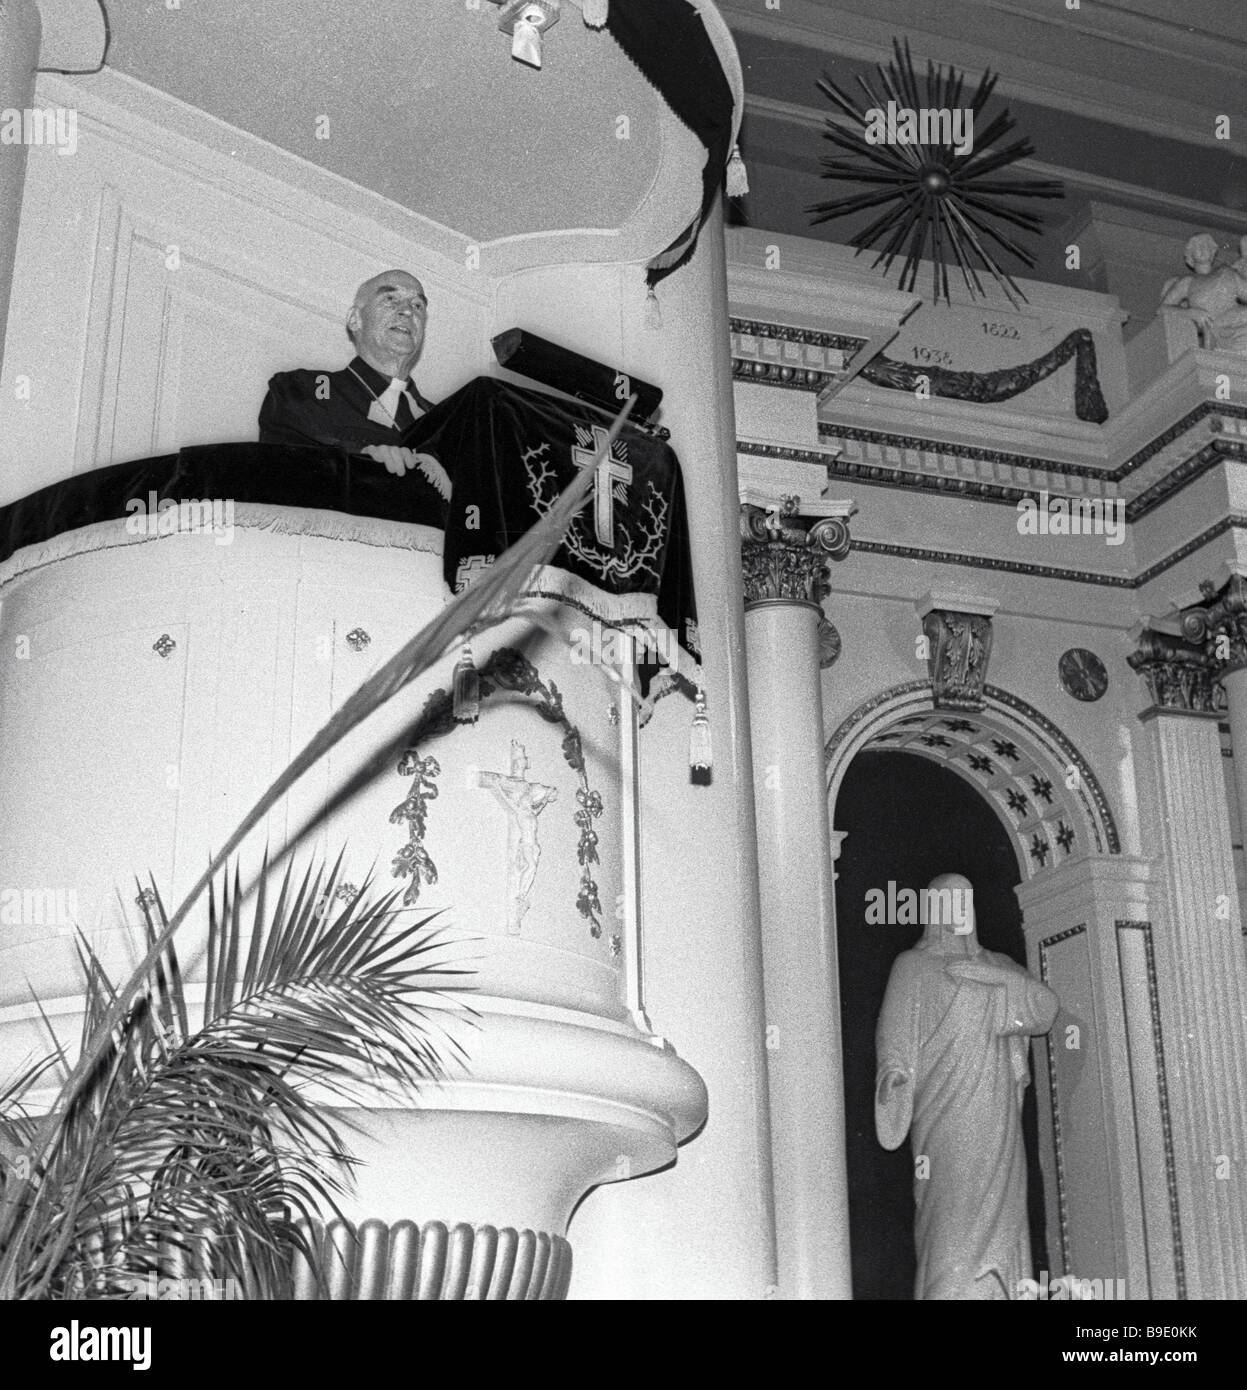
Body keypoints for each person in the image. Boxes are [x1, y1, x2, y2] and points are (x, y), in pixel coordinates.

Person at [875, 873, 1059, 1300]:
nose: (957, 910)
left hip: (995, 1120)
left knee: (1000, 1214)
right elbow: (894, 1042)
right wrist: (894, 1080)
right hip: (942, 1120)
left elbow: (1044, 1010)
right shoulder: (913, 968)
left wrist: (996, 980)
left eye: (964, 901)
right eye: (947, 901)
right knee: (949, 1221)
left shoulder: (997, 966)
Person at [258, 269, 449, 495]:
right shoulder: (304, 389)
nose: (407, 311)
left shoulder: (447, 420)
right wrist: (364, 459)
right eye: (390, 299)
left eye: (418, 305)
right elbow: (286, 469)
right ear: (354, 319)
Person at [1160, 233, 1247, 355]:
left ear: (1213, 252)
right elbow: (1162, 309)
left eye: (1207, 245)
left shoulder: (1227, 273)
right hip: (1214, 326)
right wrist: (1190, 313)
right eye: (1197, 245)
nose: (1203, 248)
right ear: (1190, 255)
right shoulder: (1188, 282)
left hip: (1237, 317)